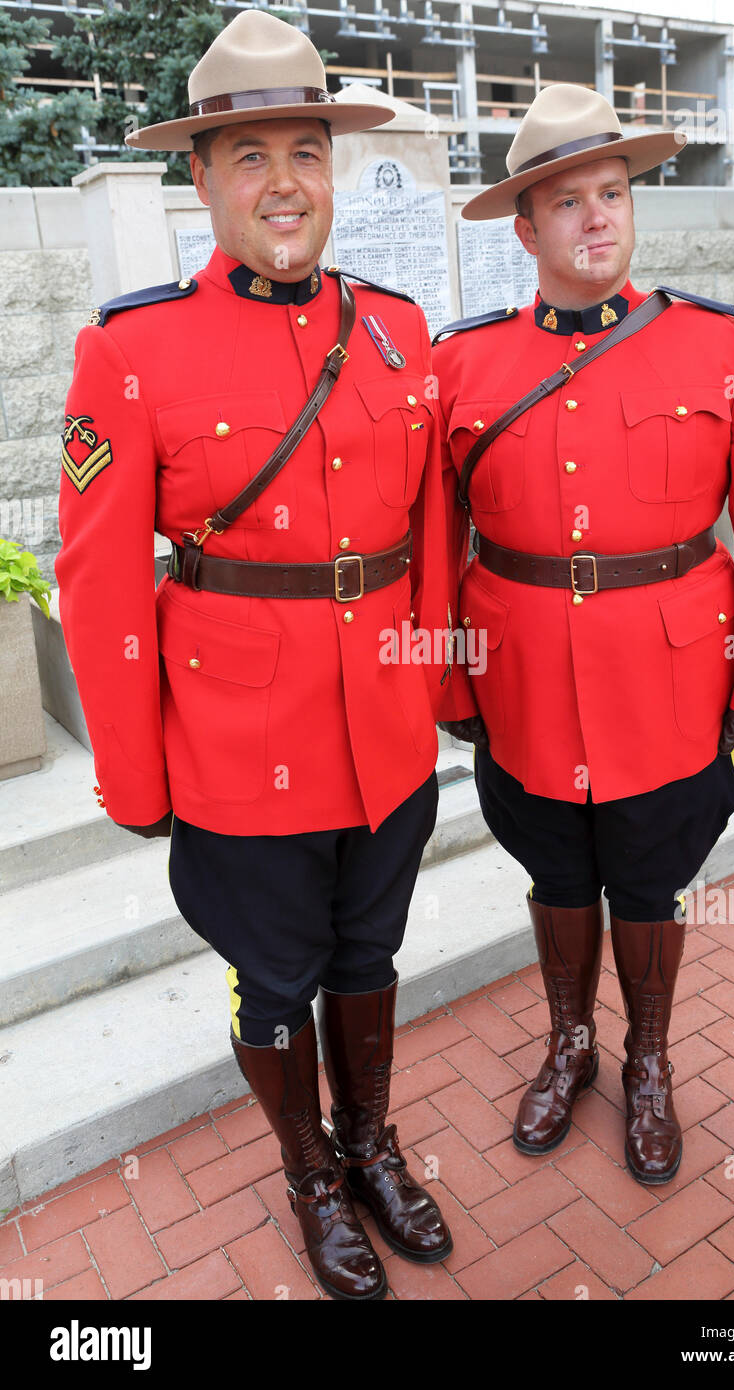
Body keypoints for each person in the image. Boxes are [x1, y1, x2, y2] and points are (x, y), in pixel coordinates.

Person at [56, 10, 455, 1300]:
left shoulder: (398, 330)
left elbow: (428, 534)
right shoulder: (132, 350)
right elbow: (102, 582)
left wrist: (444, 680)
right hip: (239, 743)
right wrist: (132, 772)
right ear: (203, 176)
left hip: (383, 728)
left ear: (333, 169)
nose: (284, 182)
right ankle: (310, 1177)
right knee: (274, 977)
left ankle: (371, 1143)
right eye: (249, 156)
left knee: (371, 956)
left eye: (306, 149)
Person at [434, 84, 734, 1184]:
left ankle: (645, 1060)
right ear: (526, 228)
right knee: (554, 874)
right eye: (566, 202)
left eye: (611, 194)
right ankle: (570, 1043)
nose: (595, 218)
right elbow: (434, 544)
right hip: (522, 687)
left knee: (651, 881)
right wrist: (448, 687)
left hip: (672, 685)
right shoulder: (463, 367)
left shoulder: (719, 344)